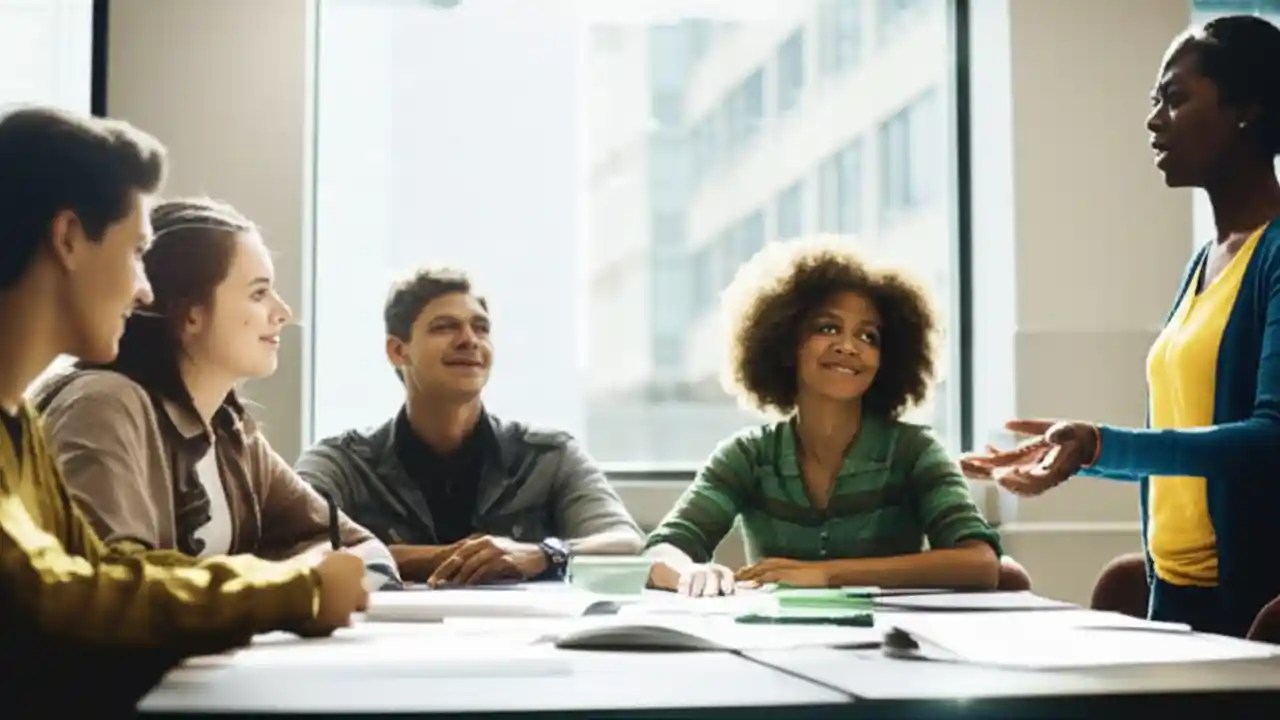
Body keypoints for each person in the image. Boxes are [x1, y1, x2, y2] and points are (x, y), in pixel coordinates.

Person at [0, 107, 367, 713]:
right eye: (138, 252)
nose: (147, 290)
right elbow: (54, 598)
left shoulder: (21, 424)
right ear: (68, 238)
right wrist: (293, 591)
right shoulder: (95, 403)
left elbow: (103, 566)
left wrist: (292, 585)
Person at [960, 15, 1280, 639]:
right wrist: (1088, 453)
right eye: (1153, 101)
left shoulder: (1275, 253)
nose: (1154, 119)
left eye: (1175, 97)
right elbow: (1183, 433)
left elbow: (1271, 439)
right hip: (1175, 591)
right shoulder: (1206, 261)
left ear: (1245, 108)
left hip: (1250, 601)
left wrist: (1102, 446)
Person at [32, 197, 400, 591]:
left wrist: (304, 582)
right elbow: (113, 589)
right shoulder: (102, 404)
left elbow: (362, 549)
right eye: (259, 294)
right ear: (191, 313)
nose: (283, 312)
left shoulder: (229, 430)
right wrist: (288, 587)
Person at [645, 237, 1002, 597]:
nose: (848, 346)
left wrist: (825, 574)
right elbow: (662, 551)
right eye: (827, 328)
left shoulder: (913, 451)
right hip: (775, 645)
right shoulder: (749, 457)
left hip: (890, 644)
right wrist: (689, 573)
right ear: (786, 343)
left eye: (868, 336)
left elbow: (980, 563)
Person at [297, 267, 643, 586]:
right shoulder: (343, 462)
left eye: (481, 327)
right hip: (381, 647)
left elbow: (624, 543)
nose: (469, 340)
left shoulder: (549, 456)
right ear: (398, 351)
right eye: (444, 327)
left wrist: (542, 554)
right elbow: (290, 542)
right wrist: (449, 558)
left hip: (521, 646)